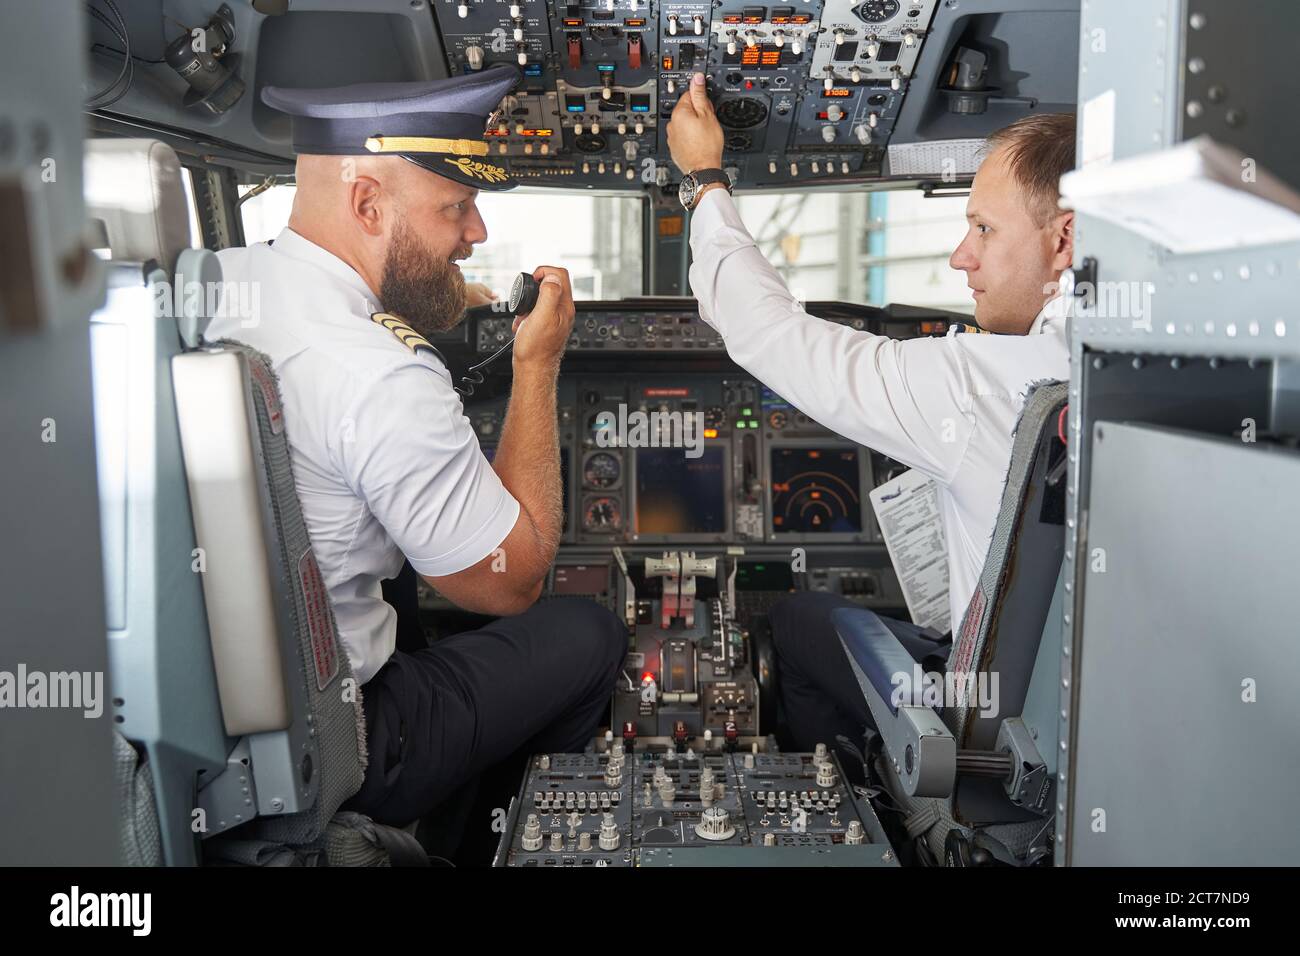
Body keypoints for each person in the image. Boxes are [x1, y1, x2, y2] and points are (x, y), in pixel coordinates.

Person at [204, 65, 625, 837]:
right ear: (367, 203)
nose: (478, 233)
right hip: (345, 744)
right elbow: (511, 579)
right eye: (456, 208)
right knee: (588, 635)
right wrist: (537, 368)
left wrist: (421, 288)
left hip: (215, 735)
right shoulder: (383, 373)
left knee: (402, 593)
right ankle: (481, 839)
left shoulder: (215, 284)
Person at [666, 73, 1074, 773]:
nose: (960, 256)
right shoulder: (1179, 376)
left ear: (1064, 240)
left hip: (991, 746)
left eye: (983, 227)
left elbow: (767, 332)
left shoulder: (984, 381)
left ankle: (864, 802)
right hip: (1073, 737)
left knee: (797, 621)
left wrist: (705, 179)